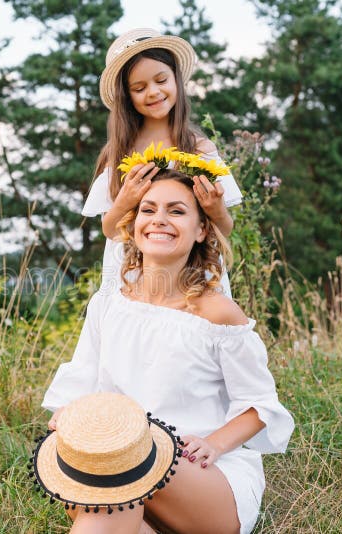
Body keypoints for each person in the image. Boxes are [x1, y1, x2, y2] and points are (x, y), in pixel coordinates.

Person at [42, 170, 294, 534]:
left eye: (176, 211)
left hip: (203, 479)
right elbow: (85, 376)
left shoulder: (218, 314)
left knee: (128, 455)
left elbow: (261, 406)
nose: (159, 219)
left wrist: (214, 443)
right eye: (148, 209)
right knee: (101, 467)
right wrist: (71, 416)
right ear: (134, 224)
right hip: (123, 474)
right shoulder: (109, 303)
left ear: (201, 230)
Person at [83, 28, 244, 296]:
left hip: (191, 274)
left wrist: (215, 209)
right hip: (132, 274)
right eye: (140, 87)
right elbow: (110, 230)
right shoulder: (119, 153)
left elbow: (225, 228)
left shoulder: (199, 149)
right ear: (127, 96)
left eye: (161, 80)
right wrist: (126, 199)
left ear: (176, 80)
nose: (154, 92)